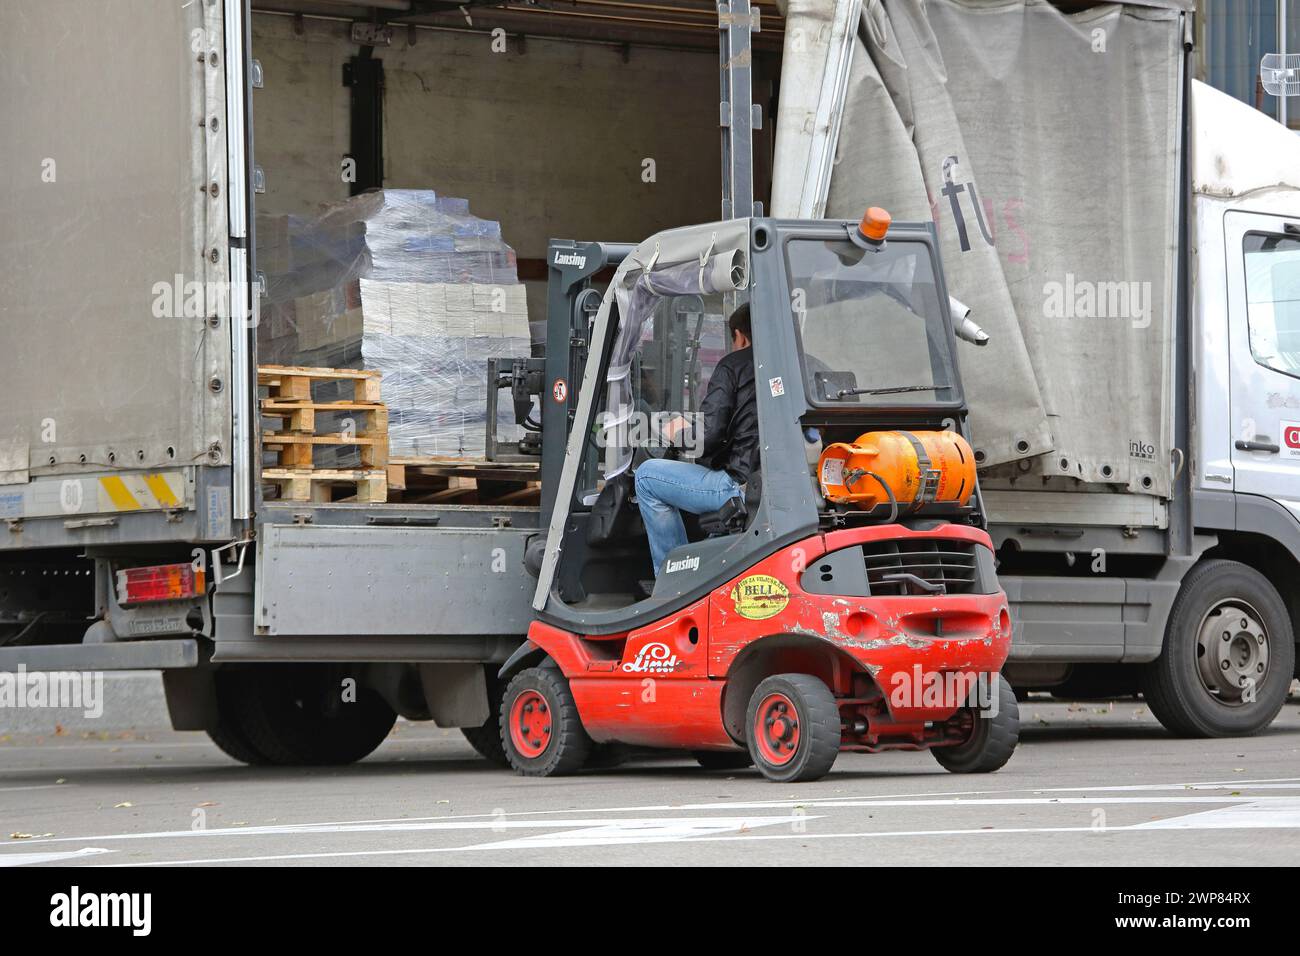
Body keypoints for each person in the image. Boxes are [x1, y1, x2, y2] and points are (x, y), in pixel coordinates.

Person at [634, 304, 758, 576]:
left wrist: (676, 432)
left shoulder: (732, 366)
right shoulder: (797, 367)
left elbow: (709, 437)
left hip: (738, 485)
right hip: (778, 486)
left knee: (646, 478)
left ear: (740, 336)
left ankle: (673, 578)